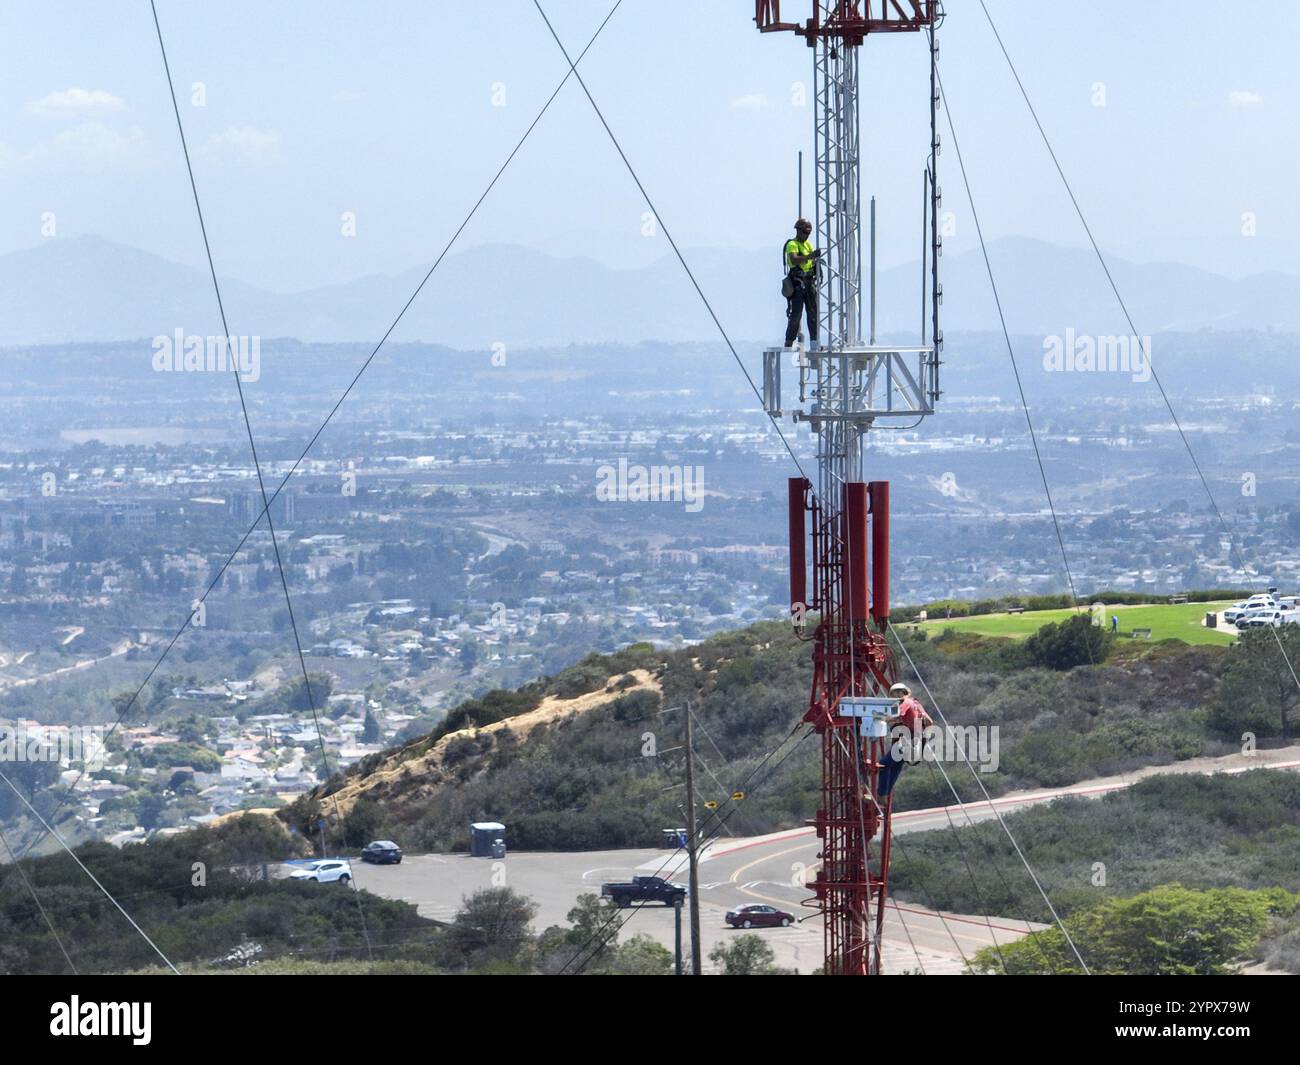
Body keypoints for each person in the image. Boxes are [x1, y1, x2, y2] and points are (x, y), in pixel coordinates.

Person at [877, 682, 933, 799]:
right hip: (915, 740)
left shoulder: (905, 702)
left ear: (904, 693)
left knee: (883, 764)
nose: (897, 696)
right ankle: (884, 795)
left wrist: (880, 719)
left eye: (899, 693)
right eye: (894, 694)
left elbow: (897, 716)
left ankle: (881, 794)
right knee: (895, 767)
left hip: (907, 740)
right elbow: (929, 722)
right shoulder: (916, 703)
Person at [783, 218, 819, 349]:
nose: (806, 235)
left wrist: (816, 266)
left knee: (813, 313)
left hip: (809, 282)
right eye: (804, 232)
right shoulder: (792, 244)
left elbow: (811, 262)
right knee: (796, 313)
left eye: (808, 233)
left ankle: (814, 341)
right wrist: (809, 257)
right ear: (798, 231)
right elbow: (794, 259)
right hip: (797, 282)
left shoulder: (808, 245)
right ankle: (789, 340)